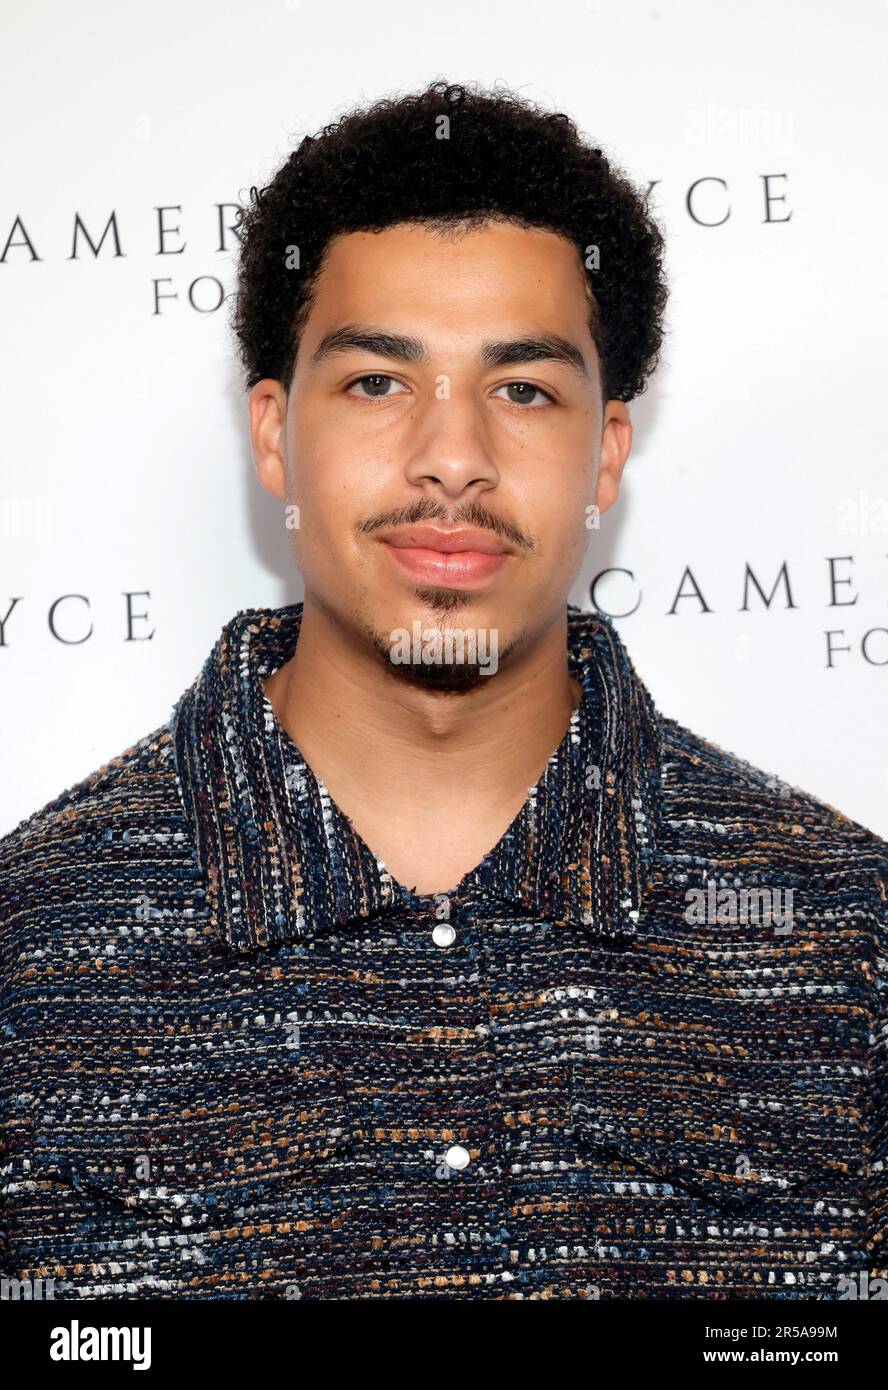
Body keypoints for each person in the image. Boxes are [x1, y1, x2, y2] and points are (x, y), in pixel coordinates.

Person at [1, 79, 885, 1302]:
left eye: (522, 389)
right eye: (377, 383)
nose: (453, 458)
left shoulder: (848, 938)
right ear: (274, 435)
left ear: (607, 452)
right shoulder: (28, 950)